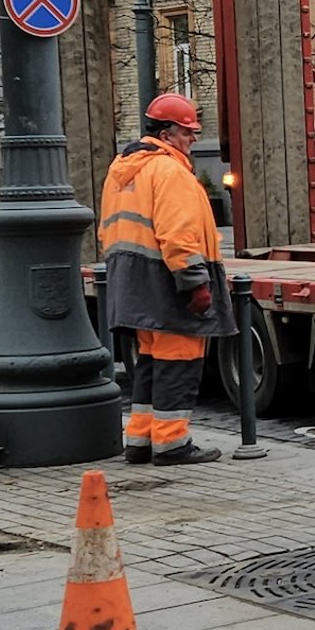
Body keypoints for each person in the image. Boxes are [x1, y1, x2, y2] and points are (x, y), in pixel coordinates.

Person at [100, 93, 231, 466]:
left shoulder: (122, 169)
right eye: (188, 132)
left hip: (132, 277)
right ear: (168, 131)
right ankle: (172, 442)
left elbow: (108, 229)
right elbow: (178, 233)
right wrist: (195, 282)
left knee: (152, 360)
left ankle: (140, 439)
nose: (193, 139)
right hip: (168, 280)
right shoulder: (170, 171)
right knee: (179, 360)